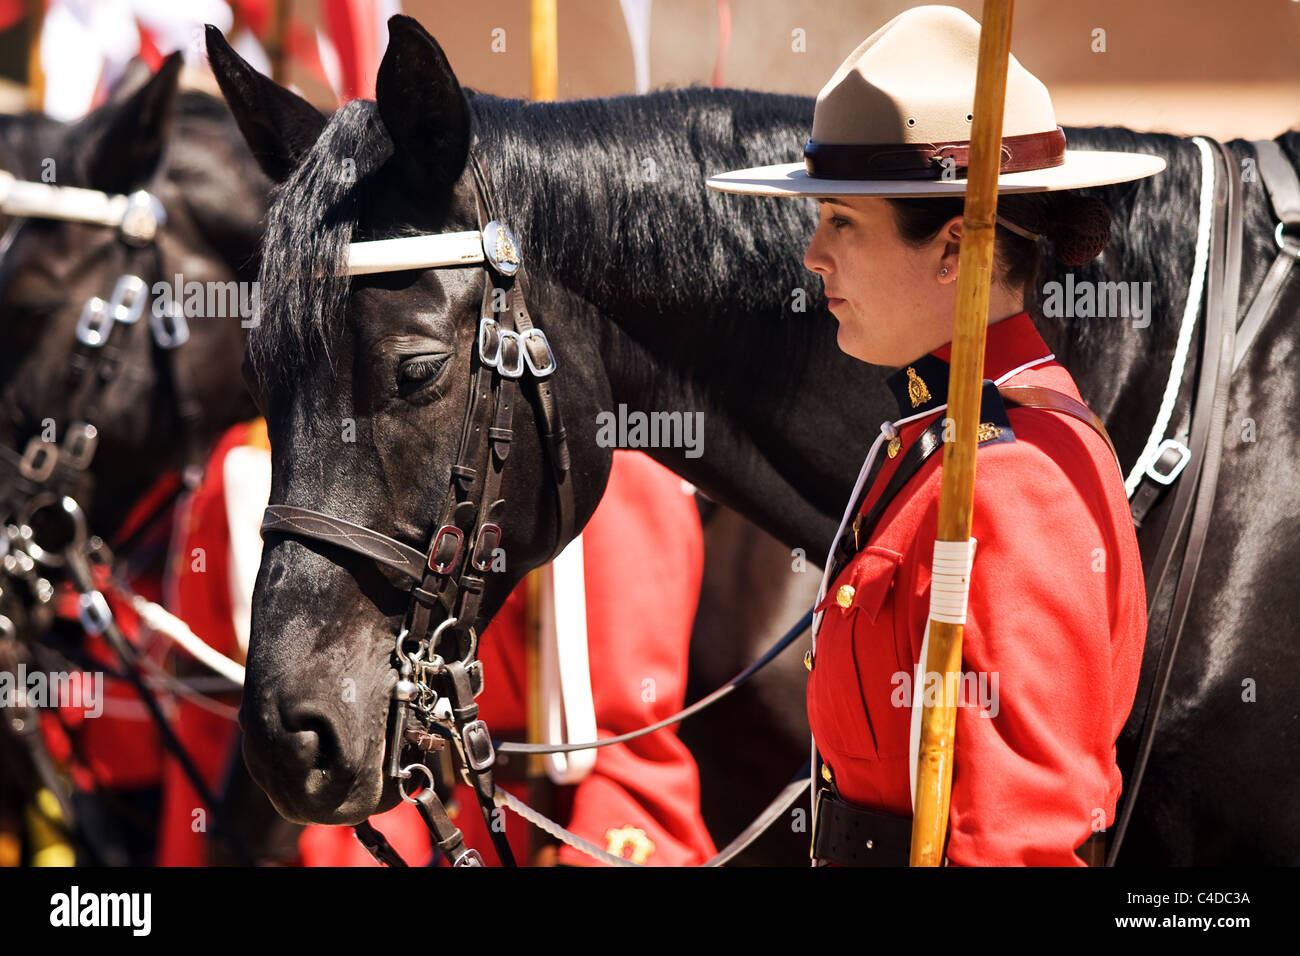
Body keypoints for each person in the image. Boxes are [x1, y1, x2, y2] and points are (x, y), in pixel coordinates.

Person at [706, 5, 1161, 866]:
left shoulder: (1015, 482)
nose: (812, 253)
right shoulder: (939, 435)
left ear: (957, 249)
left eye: (841, 220)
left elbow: (1021, 838)